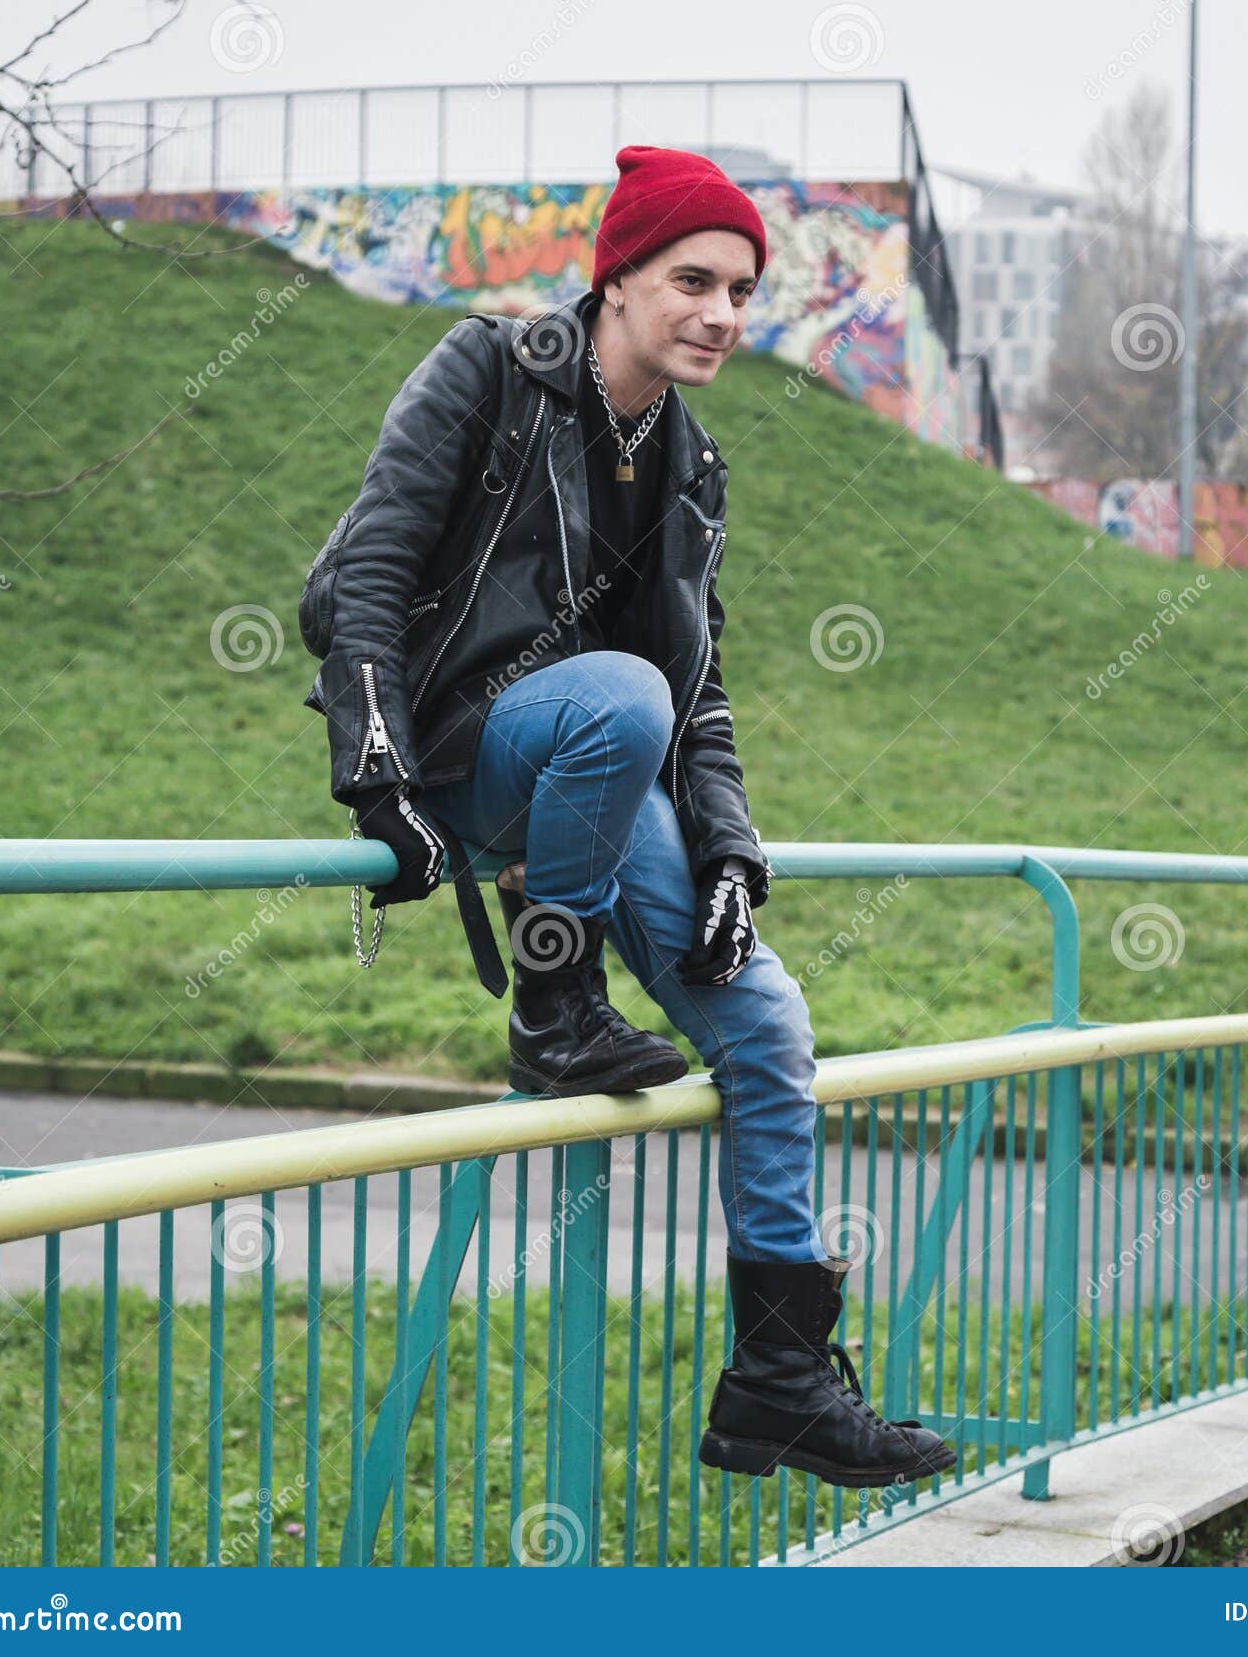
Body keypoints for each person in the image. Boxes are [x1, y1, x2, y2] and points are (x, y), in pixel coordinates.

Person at [299, 144, 955, 1490]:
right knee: (617, 690)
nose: (721, 312)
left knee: (768, 1024)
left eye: (741, 290)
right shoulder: (489, 369)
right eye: (692, 279)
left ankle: (776, 1381)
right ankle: (558, 1008)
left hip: (611, 761)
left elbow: (699, 687)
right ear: (619, 280)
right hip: (473, 751)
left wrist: (727, 849)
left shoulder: (689, 462)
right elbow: (363, 570)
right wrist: (379, 772)